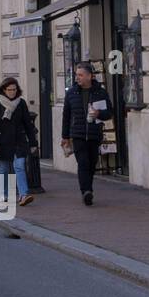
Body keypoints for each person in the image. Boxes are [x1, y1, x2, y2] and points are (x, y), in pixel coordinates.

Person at [60, 62, 113, 206]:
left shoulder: (100, 92)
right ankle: (86, 191)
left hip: (94, 134)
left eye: (80, 75)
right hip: (78, 135)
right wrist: (65, 136)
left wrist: (98, 114)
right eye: (77, 75)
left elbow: (109, 113)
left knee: (91, 163)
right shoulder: (71, 93)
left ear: (90, 76)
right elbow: (66, 116)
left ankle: (87, 189)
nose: (77, 78)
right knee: (82, 163)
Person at [0, 77, 38, 207]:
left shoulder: (21, 103)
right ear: (4, 90)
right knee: (3, 169)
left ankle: (23, 195)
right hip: (1, 142)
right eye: (10, 90)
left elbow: (28, 124)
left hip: (19, 141)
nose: (12, 92)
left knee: (19, 166)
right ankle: (3, 194)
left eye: (14, 89)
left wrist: (33, 143)